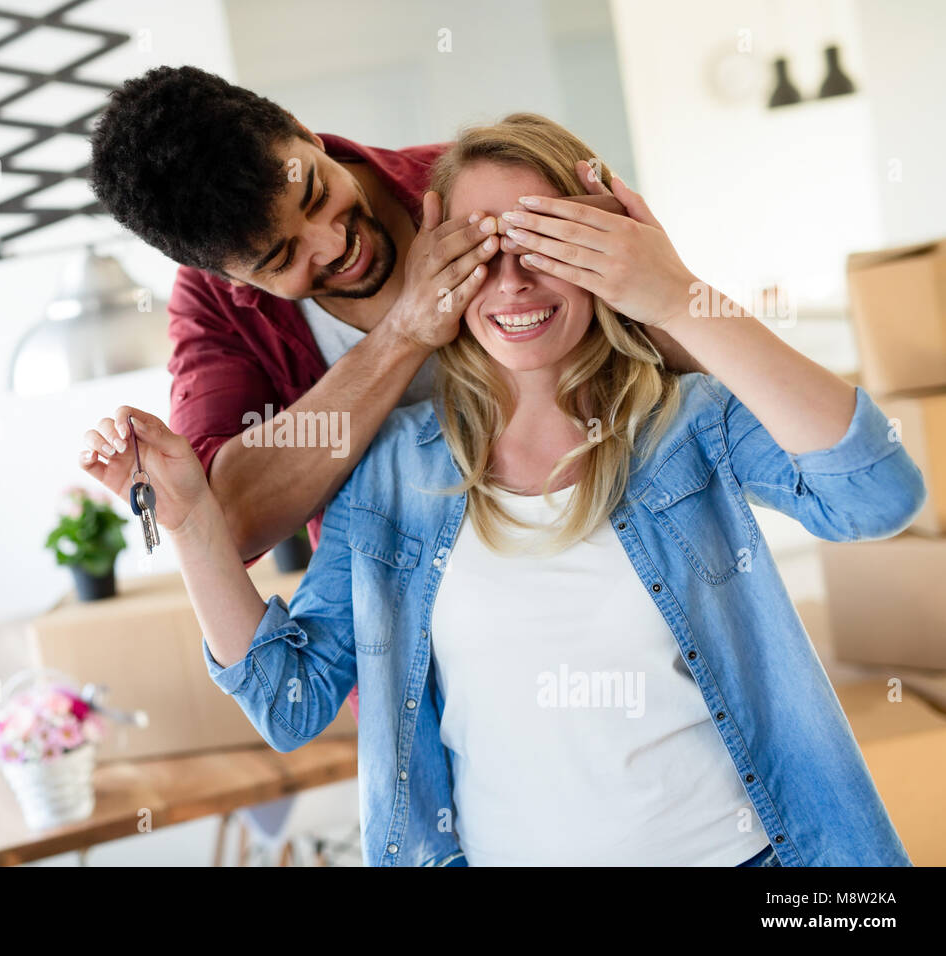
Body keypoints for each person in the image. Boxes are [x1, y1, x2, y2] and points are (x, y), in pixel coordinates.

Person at [79, 112, 927, 867]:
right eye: (485, 253)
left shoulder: (684, 423)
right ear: (441, 260)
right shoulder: (391, 472)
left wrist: (675, 292)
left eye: (546, 243)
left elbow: (877, 495)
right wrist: (188, 520)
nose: (514, 280)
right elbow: (289, 701)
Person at [88, 65, 702, 722]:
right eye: (280, 256)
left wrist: (669, 288)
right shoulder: (370, 473)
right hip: (447, 687)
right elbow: (226, 518)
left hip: (638, 607)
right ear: (227, 275)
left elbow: (689, 365)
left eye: (316, 194)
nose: (334, 245)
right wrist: (407, 331)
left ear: (302, 133)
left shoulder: (476, 184)